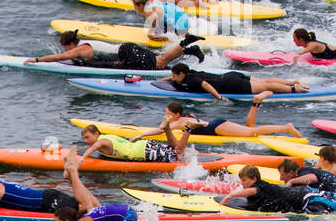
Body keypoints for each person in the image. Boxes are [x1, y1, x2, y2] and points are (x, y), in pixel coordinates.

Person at [55, 152, 139, 221]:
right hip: (125, 212)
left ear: (67, 220)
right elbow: (89, 199)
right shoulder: (81, 219)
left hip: (128, 217)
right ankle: (73, 174)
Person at [23, 29, 192, 71]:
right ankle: (187, 51)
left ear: (70, 45)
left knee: (160, 63)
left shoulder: (80, 49)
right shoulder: (85, 44)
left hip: (126, 53)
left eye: (65, 47)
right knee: (161, 61)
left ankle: (185, 44)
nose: (66, 50)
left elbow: (58, 57)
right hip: (127, 49)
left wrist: (36, 60)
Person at [153, 97, 304, 140]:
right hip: (217, 125)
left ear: (177, 114)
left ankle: (287, 127)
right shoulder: (186, 116)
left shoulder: (179, 121)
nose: (167, 117)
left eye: (169, 114)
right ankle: (255, 103)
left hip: (216, 127)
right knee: (251, 129)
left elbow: (162, 129)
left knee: (253, 132)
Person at [166, 60, 309, 101]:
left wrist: (219, 97)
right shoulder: (190, 72)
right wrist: (162, 79)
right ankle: (292, 81)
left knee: (265, 87)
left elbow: (205, 85)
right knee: (264, 82)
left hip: (230, 84)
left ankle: (293, 89)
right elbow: (173, 76)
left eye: (174, 76)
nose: (173, 79)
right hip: (230, 75)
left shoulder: (191, 80)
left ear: (182, 74)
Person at [224, 164, 336, 215]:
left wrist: (231, 195)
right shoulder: (262, 186)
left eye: (244, 180)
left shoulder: (259, 187)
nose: (242, 183)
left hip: (302, 198)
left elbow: (253, 191)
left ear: (254, 179)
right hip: (301, 195)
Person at [77, 116, 191, 166]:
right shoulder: (109, 136)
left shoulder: (102, 141)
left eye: (87, 137)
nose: (86, 141)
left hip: (144, 152)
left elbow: (94, 146)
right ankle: (166, 128)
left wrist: (82, 158)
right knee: (174, 149)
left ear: (96, 134)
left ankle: (189, 129)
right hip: (145, 146)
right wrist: (140, 135)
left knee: (179, 155)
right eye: (84, 139)